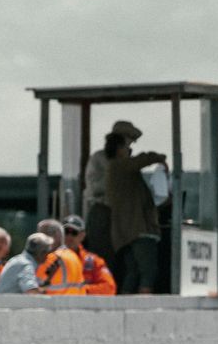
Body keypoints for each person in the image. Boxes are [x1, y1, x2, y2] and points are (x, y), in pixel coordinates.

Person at [106, 120, 168, 294]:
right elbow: (141, 161)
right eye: (127, 147)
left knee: (132, 272)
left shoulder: (115, 169)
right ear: (119, 148)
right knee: (148, 271)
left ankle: (126, 305)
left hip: (125, 232)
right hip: (138, 229)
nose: (130, 151)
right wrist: (159, 158)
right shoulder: (119, 165)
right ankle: (143, 305)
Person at [82, 125, 130, 259]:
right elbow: (94, 188)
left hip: (120, 214)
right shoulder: (98, 159)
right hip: (102, 210)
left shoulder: (125, 162)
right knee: (102, 254)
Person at [61, 215, 116, 295]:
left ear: (82, 235)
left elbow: (109, 287)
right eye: (66, 232)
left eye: (74, 232)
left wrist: (81, 290)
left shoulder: (93, 261)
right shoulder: (50, 258)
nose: (69, 236)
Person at [34, 218, 86, 296]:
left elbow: (34, 290)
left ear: (52, 237)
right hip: (76, 306)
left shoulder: (51, 259)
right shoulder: (73, 256)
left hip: (53, 306)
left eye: (41, 237)